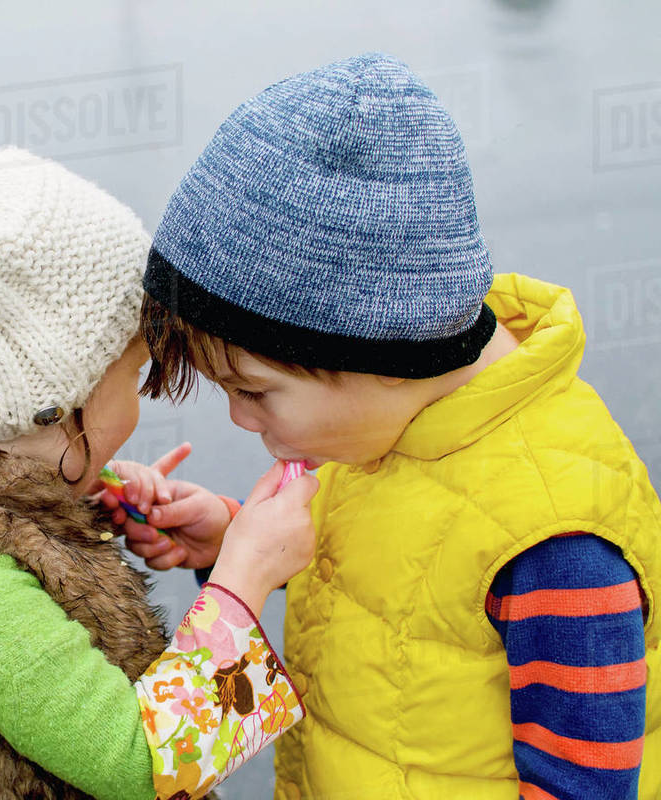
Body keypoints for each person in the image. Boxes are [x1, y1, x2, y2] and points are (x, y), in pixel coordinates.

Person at [111, 53, 660, 800]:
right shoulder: (392, 424)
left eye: (254, 390)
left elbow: (584, 785)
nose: (238, 417)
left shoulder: (557, 546)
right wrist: (234, 539)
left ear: (380, 352)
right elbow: (397, 583)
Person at [0, 110, 320, 800]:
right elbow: (144, 768)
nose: (140, 401)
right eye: (131, 376)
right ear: (51, 404)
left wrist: (81, 494)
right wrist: (243, 579)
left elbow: (5, 509)